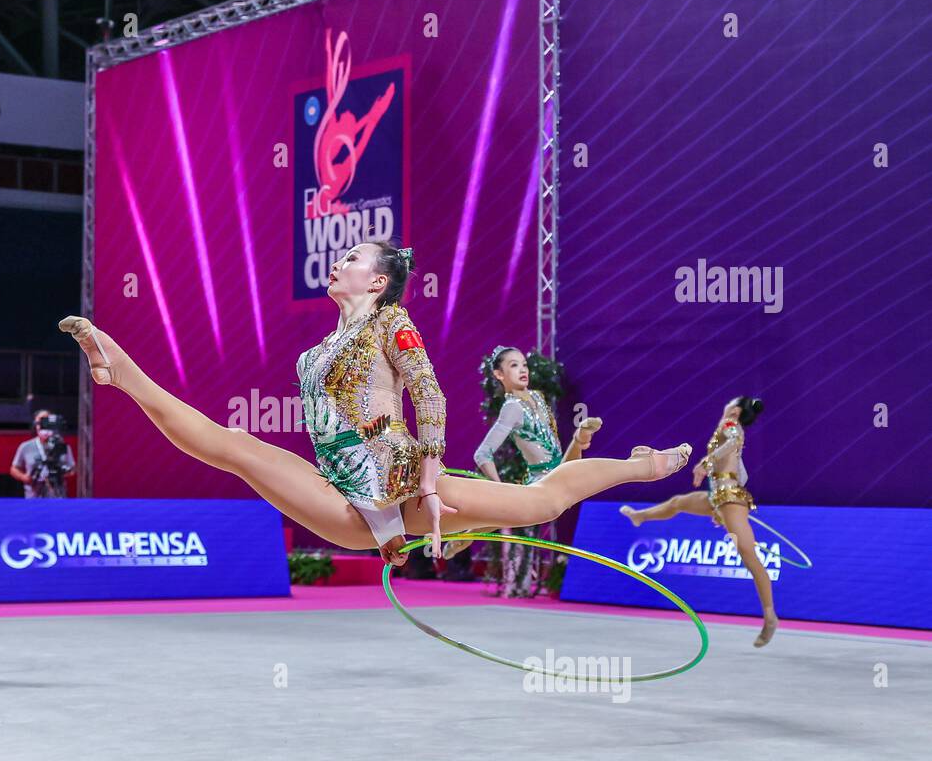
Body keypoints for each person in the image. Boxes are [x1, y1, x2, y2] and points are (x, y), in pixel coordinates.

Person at [58, 240, 691, 567]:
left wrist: (435, 472)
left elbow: (431, 395)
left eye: (354, 258)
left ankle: (640, 466)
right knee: (237, 450)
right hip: (341, 491)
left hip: (402, 483)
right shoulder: (321, 346)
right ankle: (120, 368)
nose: (340, 261)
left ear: (378, 282)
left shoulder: (392, 323)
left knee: (541, 501)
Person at [620, 397, 778, 647]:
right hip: (718, 498)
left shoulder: (730, 424)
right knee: (678, 503)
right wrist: (717, 506)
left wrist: (706, 462)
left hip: (730, 500)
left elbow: (734, 442)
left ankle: (769, 616)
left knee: (749, 556)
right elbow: (741, 468)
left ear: (735, 410)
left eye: (731, 403)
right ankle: (640, 516)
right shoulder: (725, 428)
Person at [440, 346, 604, 561]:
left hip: (562, 467)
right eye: (514, 365)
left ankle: (581, 436)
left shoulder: (537, 397)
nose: (522, 369)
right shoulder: (512, 408)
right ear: (499, 375)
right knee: (498, 518)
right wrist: (500, 488)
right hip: (542, 480)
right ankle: (466, 537)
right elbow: (482, 454)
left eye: (524, 364)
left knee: (497, 518)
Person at [10, 410, 77, 498]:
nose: (43, 426)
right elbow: (14, 469)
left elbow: (73, 469)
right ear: (35, 425)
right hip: (33, 496)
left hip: (57, 497)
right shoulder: (25, 447)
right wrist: (24, 477)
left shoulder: (62, 446)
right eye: (39, 423)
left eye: (46, 422)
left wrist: (61, 473)